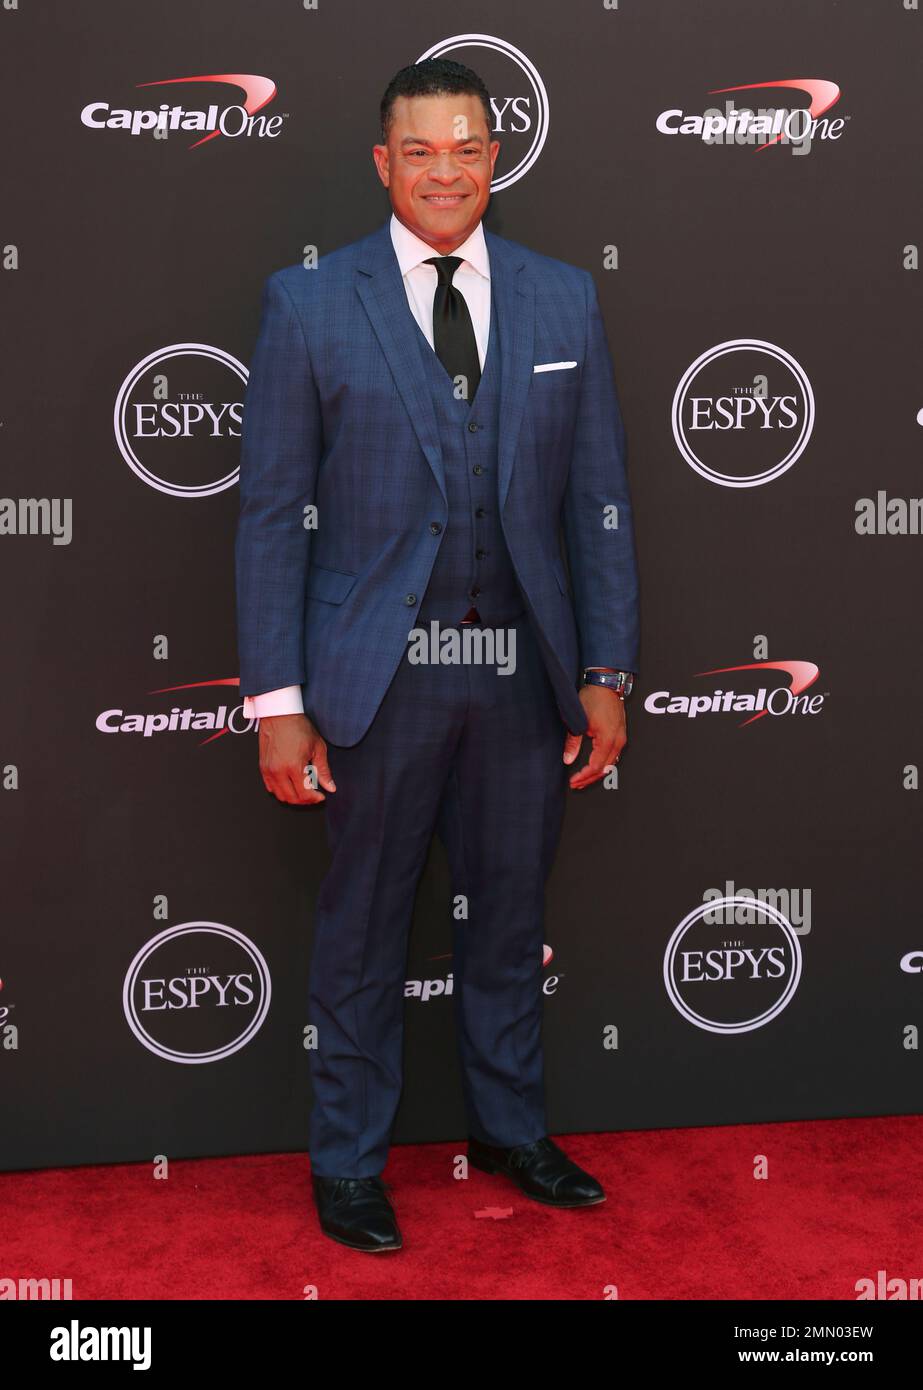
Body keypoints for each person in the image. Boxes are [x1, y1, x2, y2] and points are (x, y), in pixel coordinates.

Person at [235, 58, 640, 1253]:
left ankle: (512, 1131)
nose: (445, 171)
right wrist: (276, 701)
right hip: (375, 682)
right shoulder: (308, 304)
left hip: (523, 678)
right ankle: (350, 1164)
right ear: (383, 165)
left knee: (509, 921)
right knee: (361, 926)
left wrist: (606, 671)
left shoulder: (562, 300)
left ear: (494, 158)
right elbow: (268, 518)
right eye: (420, 151)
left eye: (465, 147)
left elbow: (599, 500)